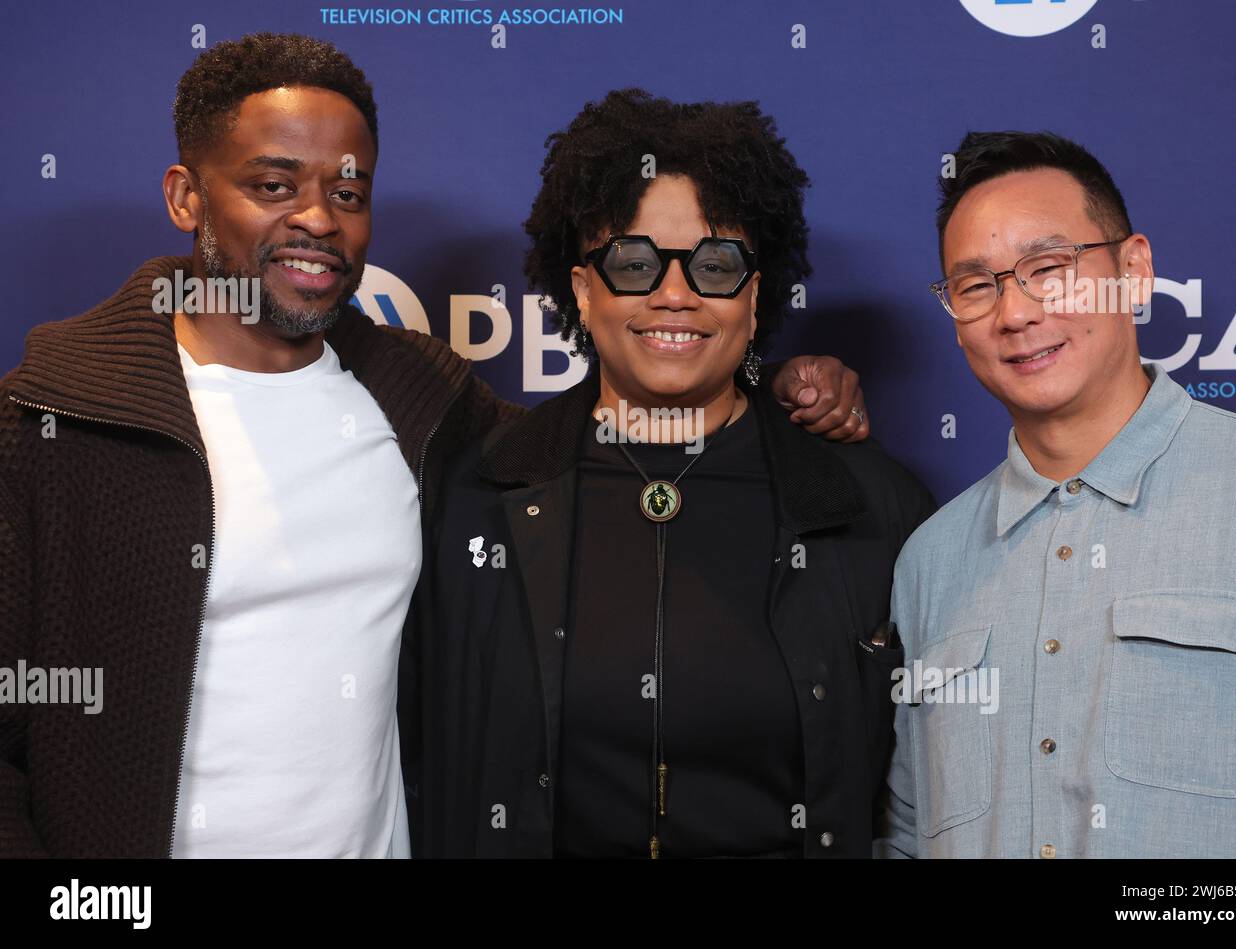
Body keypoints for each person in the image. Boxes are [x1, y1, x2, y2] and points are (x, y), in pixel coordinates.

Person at [0, 34, 869, 858]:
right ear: (186, 196)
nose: (317, 219)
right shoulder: (51, 420)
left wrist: (785, 383)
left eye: (348, 192)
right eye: (273, 185)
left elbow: (626, 413)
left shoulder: (425, 404)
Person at [420, 89, 934, 858]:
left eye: (715, 264)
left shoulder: (869, 506)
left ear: (754, 298)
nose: (674, 293)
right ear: (584, 292)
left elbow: (922, 797)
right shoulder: (473, 500)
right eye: (633, 262)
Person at [879, 131, 1236, 858]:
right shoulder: (930, 561)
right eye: (977, 286)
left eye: (1048, 268)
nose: (1014, 314)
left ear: (1134, 272)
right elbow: (909, 833)